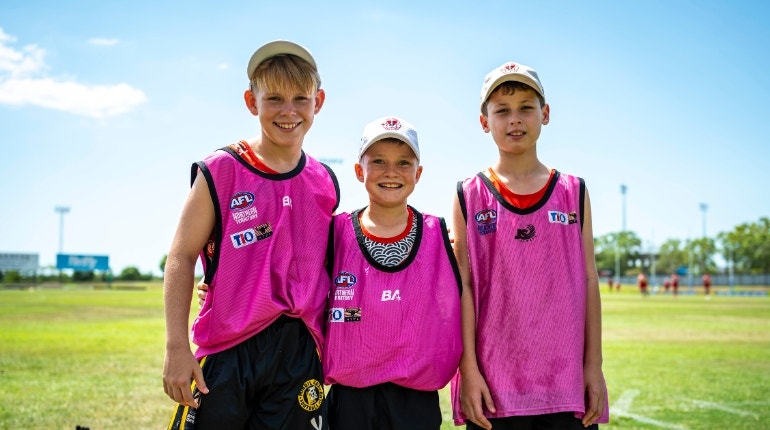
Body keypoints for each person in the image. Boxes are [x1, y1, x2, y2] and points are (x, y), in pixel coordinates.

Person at [162, 40, 339, 430]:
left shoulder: (324, 181)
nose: (288, 111)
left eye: (300, 98)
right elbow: (181, 256)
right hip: (228, 347)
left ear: (319, 101)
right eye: (274, 98)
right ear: (251, 100)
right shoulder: (222, 169)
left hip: (297, 353)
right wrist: (176, 346)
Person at [450, 61, 609, 429]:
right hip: (494, 388)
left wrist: (594, 366)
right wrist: (468, 371)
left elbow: (589, 280)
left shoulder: (573, 191)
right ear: (484, 122)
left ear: (545, 114)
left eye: (526, 107)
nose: (515, 119)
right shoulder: (469, 194)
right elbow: (465, 287)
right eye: (502, 111)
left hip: (566, 386)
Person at [323, 116, 463, 429]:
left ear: (419, 173)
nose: (391, 172)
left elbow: (465, 305)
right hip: (350, 397)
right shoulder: (335, 232)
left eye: (403, 162)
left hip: (415, 399)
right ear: (360, 171)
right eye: (379, 161)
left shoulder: (440, 236)